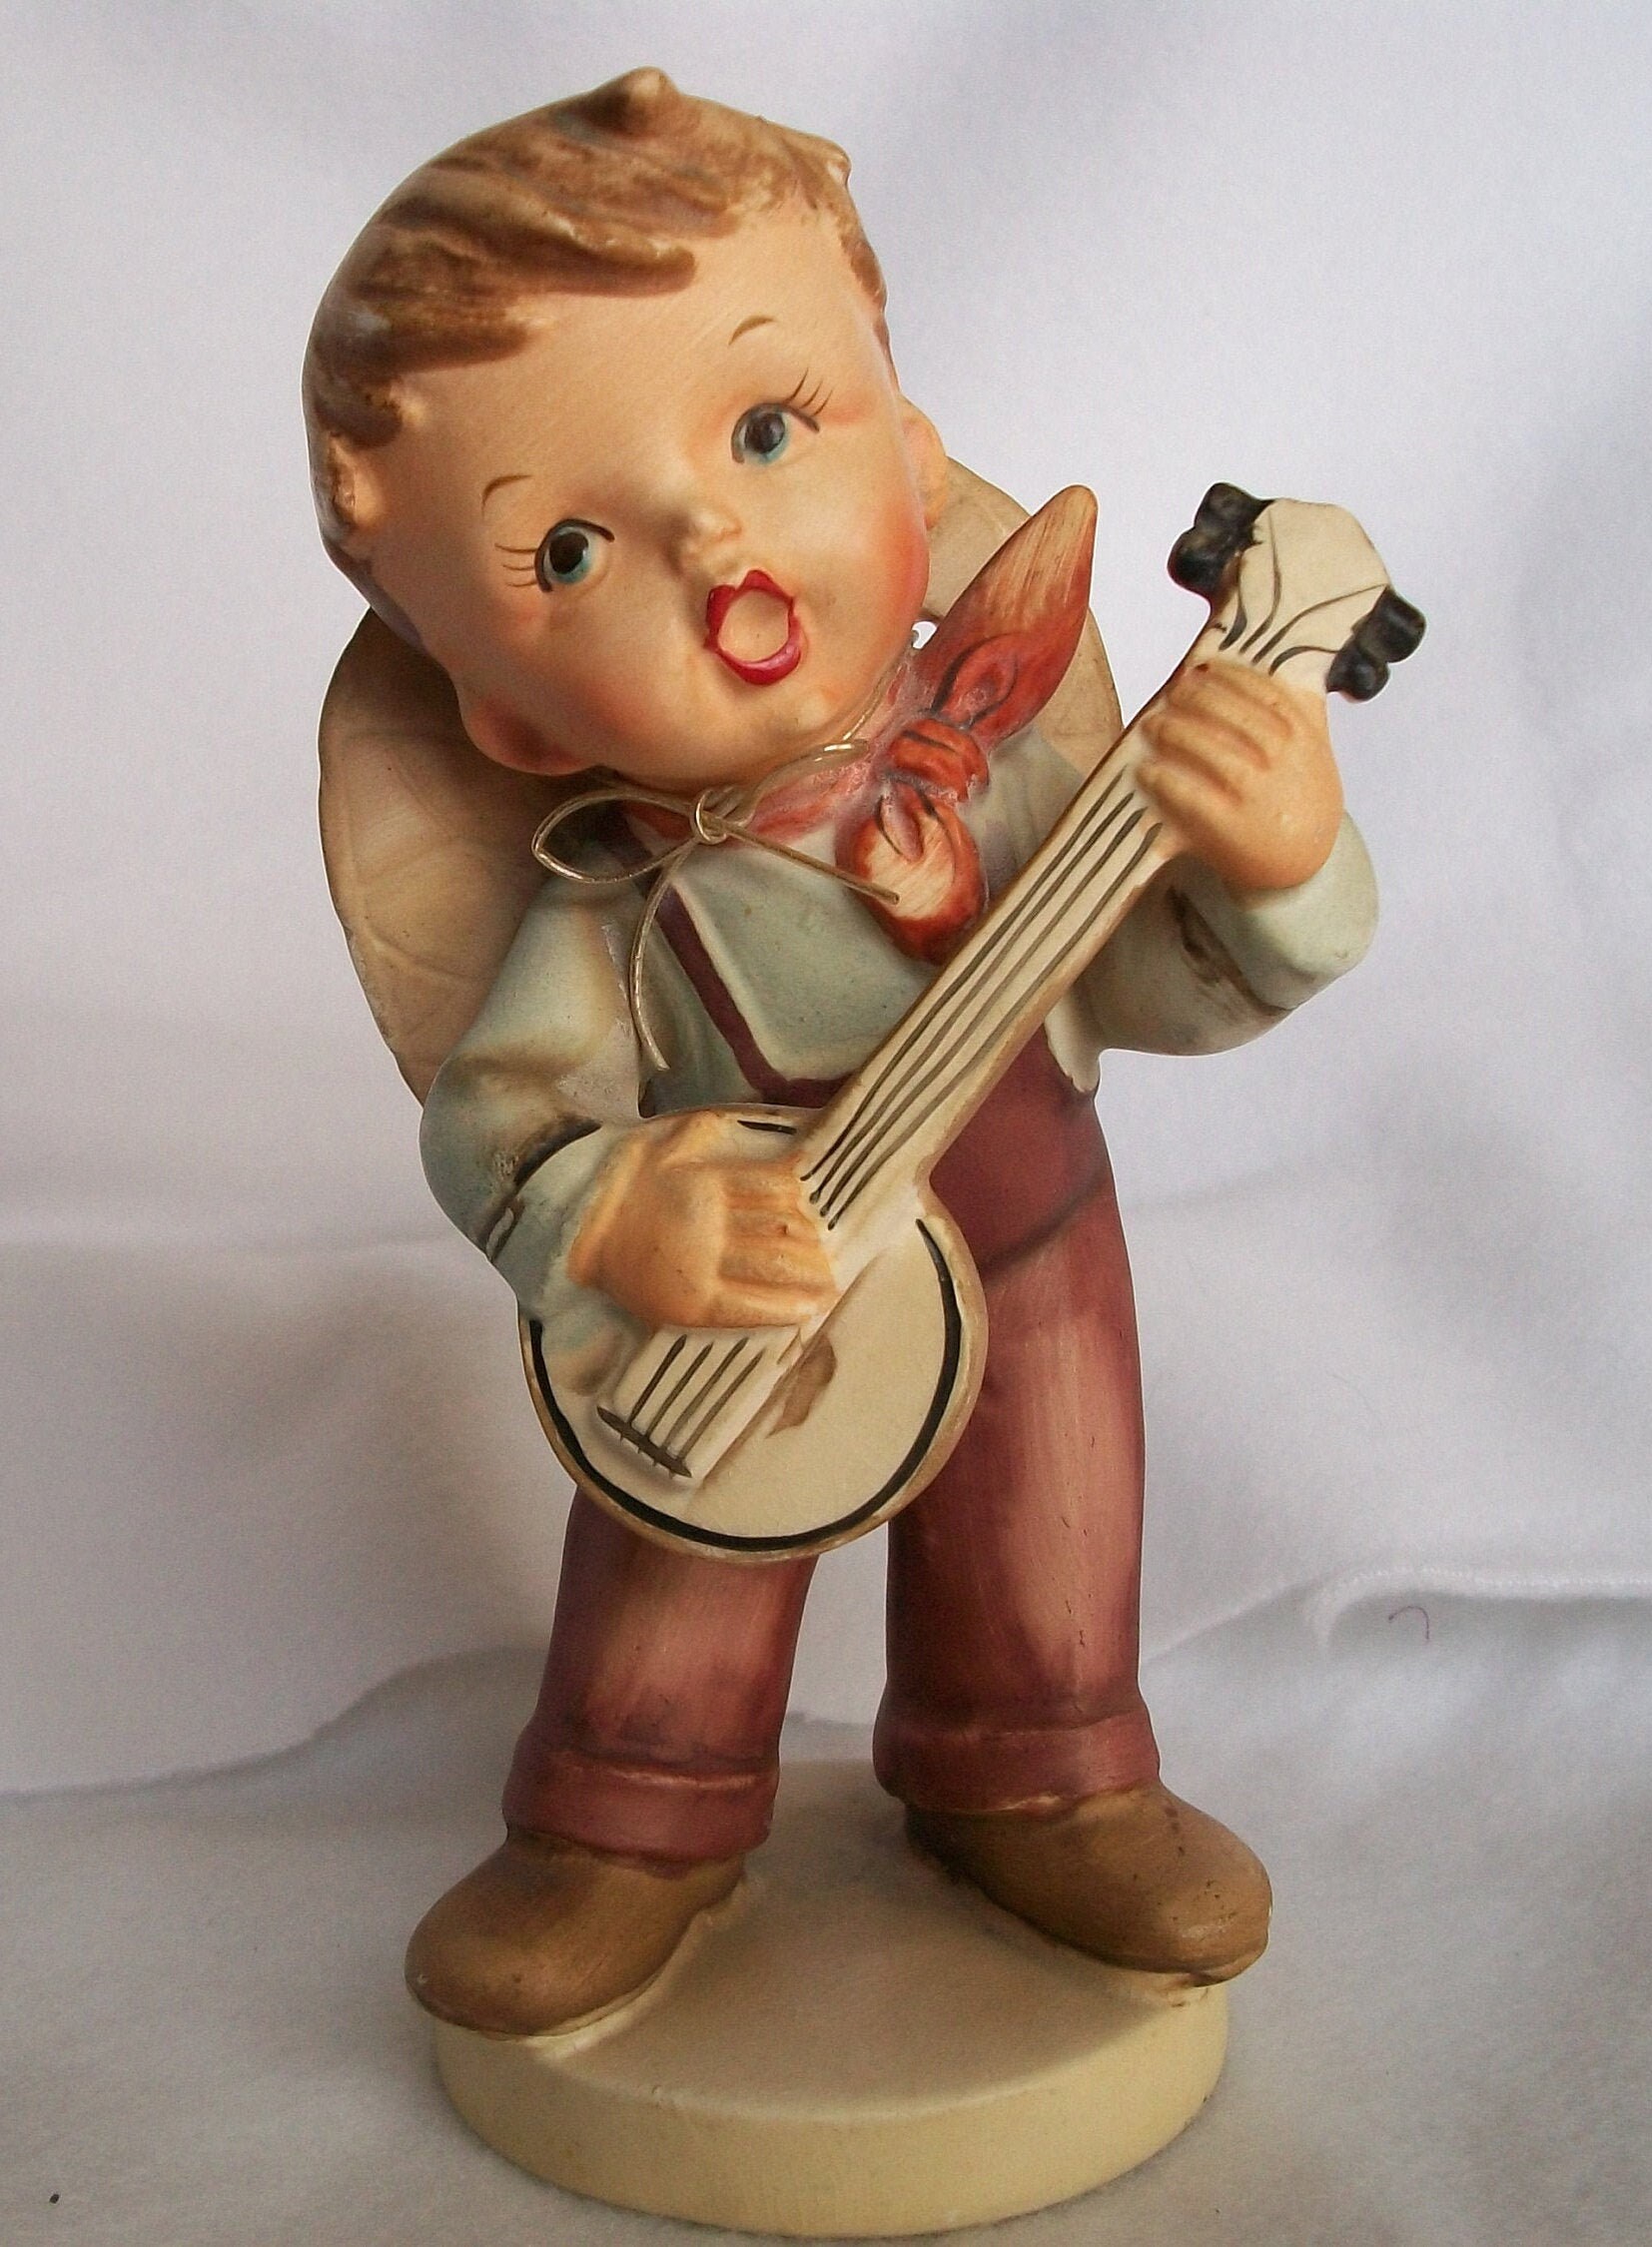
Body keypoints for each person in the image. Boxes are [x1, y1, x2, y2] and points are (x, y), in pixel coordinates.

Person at [305, 68, 1376, 2036]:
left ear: (912, 458)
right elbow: (494, 1124)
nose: (710, 527)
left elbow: (1151, 986)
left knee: (1047, 1527)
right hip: (753, 1296)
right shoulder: (608, 909)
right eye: (563, 555)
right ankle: (629, 1820)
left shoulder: (998, 792)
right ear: (510, 722)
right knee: (677, 1559)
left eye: (771, 423)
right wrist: (619, 1219)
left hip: (1029, 1239)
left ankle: (1035, 1770)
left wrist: (1273, 859)